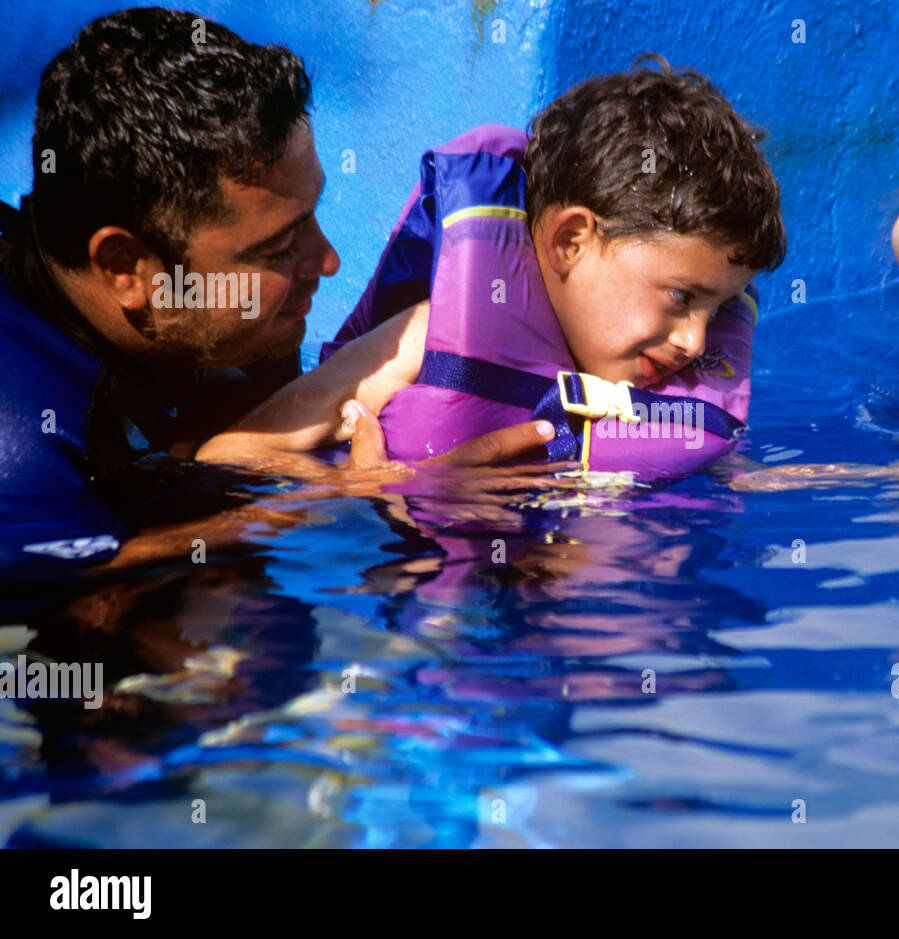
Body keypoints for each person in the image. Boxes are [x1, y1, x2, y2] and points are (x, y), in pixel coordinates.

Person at [0, 7, 556, 581]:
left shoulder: (235, 325)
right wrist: (343, 501)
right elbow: (68, 605)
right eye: (278, 249)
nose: (329, 262)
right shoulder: (18, 453)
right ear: (126, 269)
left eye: (311, 217)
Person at [196, 56, 786, 479]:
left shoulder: (681, 410)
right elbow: (230, 456)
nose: (696, 341)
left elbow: (735, 470)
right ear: (572, 242)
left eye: (718, 308)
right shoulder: (422, 338)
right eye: (682, 297)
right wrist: (367, 491)